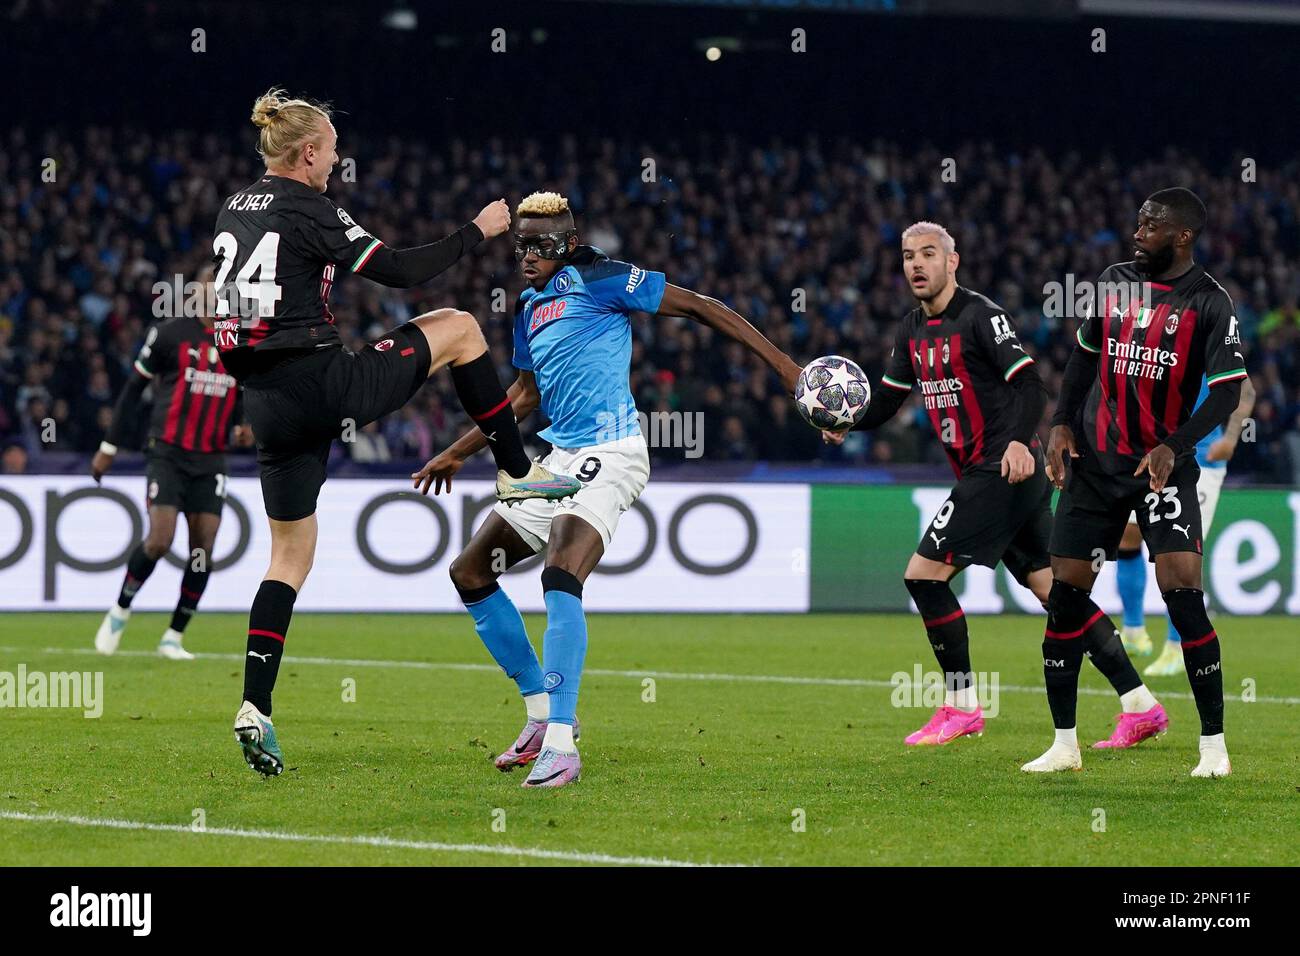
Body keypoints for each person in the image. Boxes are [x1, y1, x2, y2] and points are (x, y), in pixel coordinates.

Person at [216, 90, 580, 776]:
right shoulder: (310, 207)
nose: (337, 161)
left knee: (287, 557)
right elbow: (401, 272)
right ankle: (517, 469)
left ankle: (255, 706)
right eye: (332, 149)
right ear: (310, 152)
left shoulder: (234, 208)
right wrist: (479, 229)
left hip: (264, 402)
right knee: (463, 328)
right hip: (320, 384)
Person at [412, 191, 802, 788]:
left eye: (538, 244)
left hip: (611, 451)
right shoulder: (528, 306)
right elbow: (522, 396)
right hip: (556, 458)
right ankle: (541, 715)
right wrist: (457, 452)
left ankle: (564, 745)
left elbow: (699, 306)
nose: (526, 255)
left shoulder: (602, 278)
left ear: (565, 243)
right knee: (470, 571)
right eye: (519, 244)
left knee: (560, 573)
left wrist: (783, 366)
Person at [828, 221, 1162, 748]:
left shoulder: (981, 316)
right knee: (1056, 590)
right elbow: (889, 401)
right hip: (996, 478)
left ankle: (961, 705)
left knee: (922, 577)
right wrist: (849, 420)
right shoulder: (910, 330)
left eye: (929, 254)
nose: (917, 264)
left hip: (1004, 470)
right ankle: (1139, 704)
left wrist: (1013, 442)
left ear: (952, 262)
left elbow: (1030, 384)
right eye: (908, 256)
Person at [1031, 188, 1247, 777]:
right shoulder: (1114, 281)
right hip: (1096, 467)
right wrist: (1060, 425)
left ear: (1181, 235)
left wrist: (1174, 446)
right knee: (1066, 602)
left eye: (1150, 225)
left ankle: (1213, 750)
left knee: (1184, 599)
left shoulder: (1209, 301)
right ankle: (1064, 745)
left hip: (1163, 471)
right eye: (1138, 221)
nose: (1136, 231)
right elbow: (1082, 356)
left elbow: (1227, 390)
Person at [92, 302, 246, 661]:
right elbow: (133, 389)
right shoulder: (169, 333)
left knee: (202, 549)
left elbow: (245, 391)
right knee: (160, 540)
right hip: (168, 452)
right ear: (198, 293)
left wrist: (243, 423)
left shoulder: (240, 340)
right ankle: (120, 609)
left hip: (211, 458)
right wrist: (108, 446)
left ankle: (173, 636)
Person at [1114, 377, 1255, 675]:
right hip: (1151, 453)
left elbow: (1247, 391)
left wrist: (1230, 439)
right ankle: (1134, 630)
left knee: (1178, 553)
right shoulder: (1148, 337)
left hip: (1200, 459)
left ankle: (1176, 647)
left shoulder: (1211, 337)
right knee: (1127, 535)